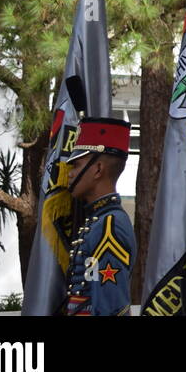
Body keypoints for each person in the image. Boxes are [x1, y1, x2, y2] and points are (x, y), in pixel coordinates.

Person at [64, 117, 135, 316]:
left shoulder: (109, 224)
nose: (70, 174)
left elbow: (111, 305)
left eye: (76, 165)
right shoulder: (98, 222)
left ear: (97, 169)